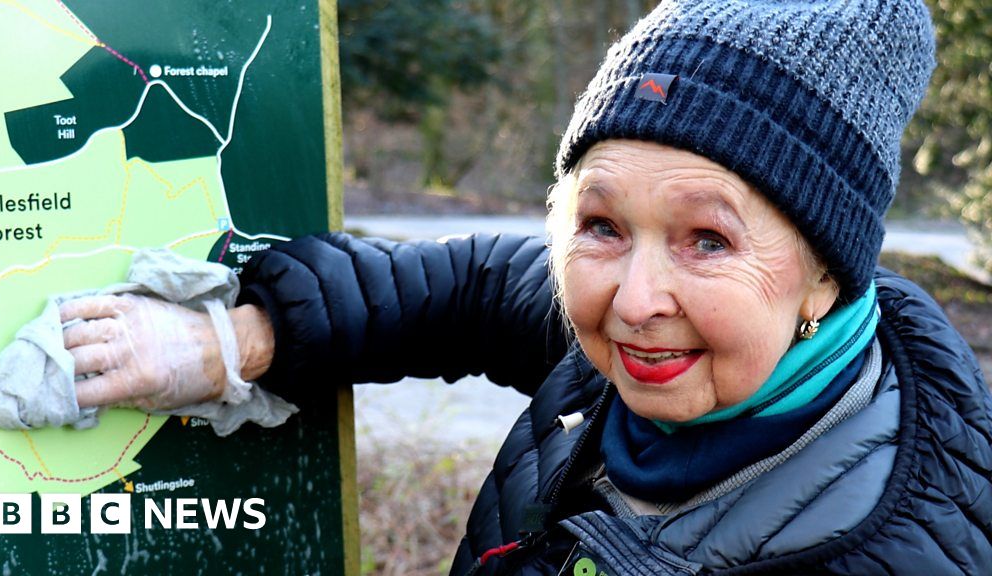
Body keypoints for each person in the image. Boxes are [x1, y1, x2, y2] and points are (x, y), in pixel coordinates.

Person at [49, 0, 991, 573]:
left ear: (825, 273)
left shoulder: (894, 547)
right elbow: (457, 288)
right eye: (602, 224)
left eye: (707, 240)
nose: (631, 301)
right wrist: (229, 343)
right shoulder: (646, 354)